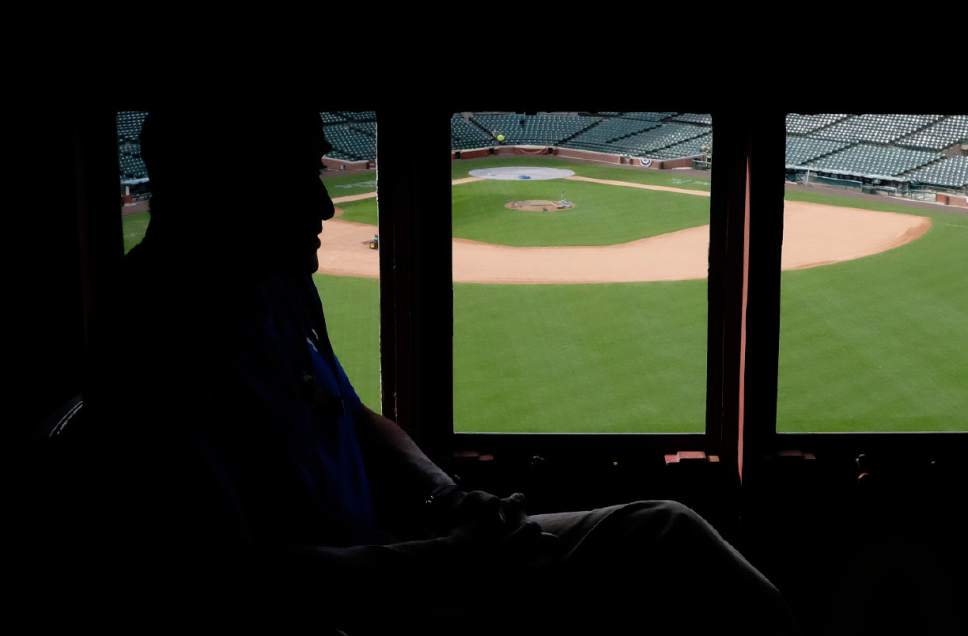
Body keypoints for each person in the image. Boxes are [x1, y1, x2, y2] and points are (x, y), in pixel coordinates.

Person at [79, 109, 796, 635]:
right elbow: (236, 589)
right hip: (358, 611)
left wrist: (448, 497)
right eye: (300, 178)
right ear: (224, 184)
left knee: (665, 531)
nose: (326, 204)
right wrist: (445, 560)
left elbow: (352, 414)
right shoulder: (148, 338)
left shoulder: (273, 278)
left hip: (409, 554)